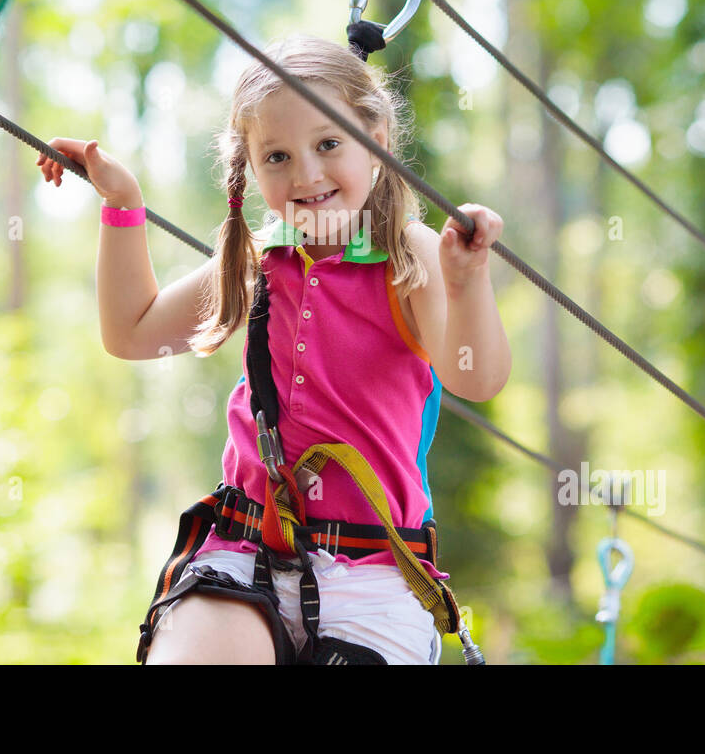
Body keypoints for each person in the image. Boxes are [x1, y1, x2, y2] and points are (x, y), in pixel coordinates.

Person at [36, 34, 510, 664]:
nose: (307, 175)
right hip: (246, 549)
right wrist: (124, 205)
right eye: (278, 156)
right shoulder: (263, 259)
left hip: (372, 570)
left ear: (378, 143)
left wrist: (466, 281)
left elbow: (475, 378)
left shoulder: (411, 252)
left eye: (329, 144)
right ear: (250, 170)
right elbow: (133, 332)